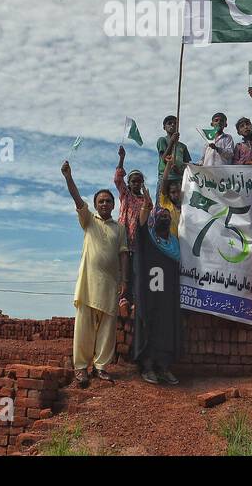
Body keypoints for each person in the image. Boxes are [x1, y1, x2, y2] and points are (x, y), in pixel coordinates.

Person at [61, 161, 129, 388]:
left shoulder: (119, 228)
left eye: (108, 201)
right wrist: (68, 177)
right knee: (84, 328)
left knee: (108, 329)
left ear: (113, 204)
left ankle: (100, 367)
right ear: (95, 205)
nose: (105, 204)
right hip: (88, 284)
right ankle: (81, 367)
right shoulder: (88, 220)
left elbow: (123, 255)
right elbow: (76, 198)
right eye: (101, 201)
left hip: (111, 283)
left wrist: (124, 280)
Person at [130, 207, 183, 385]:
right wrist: (145, 206)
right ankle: (148, 367)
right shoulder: (149, 239)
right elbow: (141, 226)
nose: (165, 219)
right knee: (149, 328)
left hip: (168, 296)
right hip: (149, 295)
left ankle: (164, 368)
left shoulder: (175, 244)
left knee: (167, 330)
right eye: (161, 216)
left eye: (167, 216)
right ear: (154, 219)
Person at [113, 146, 153, 251]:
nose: (136, 184)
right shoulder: (125, 194)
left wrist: (147, 199)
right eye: (133, 181)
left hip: (139, 241)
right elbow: (118, 178)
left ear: (142, 183)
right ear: (128, 183)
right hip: (123, 238)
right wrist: (122, 158)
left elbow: (150, 215)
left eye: (139, 181)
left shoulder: (145, 199)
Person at [155, 115, 190, 189]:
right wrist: (172, 142)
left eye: (175, 123)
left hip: (179, 180)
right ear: (164, 127)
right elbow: (164, 159)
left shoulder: (183, 146)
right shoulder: (162, 140)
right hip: (165, 179)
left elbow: (187, 165)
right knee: (162, 200)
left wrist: (179, 171)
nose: (173, 125)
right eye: (169, 123)